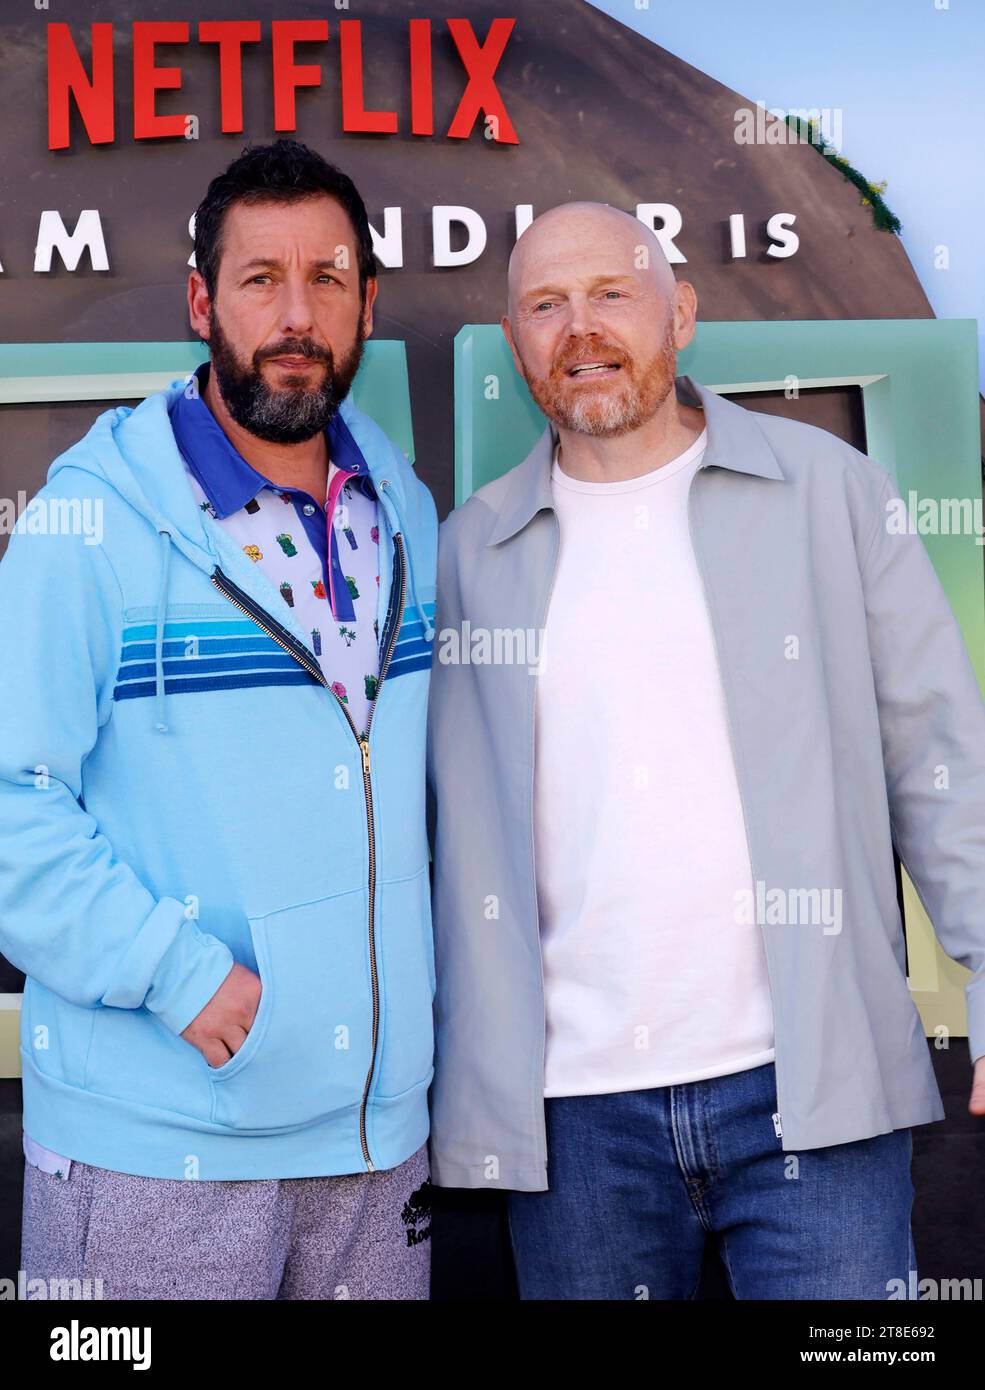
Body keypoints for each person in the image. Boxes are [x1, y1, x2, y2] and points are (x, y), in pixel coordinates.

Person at [425, 200, 985, 1299]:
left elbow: (938, 756)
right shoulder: (466, 554)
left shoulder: (829, 491)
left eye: (610, 293)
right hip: (571, 1125)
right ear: (513, 344)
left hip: (813, 1095)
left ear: (679, 313)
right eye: (545, 305)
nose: (579, 328)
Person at [0, 139, 437, 1300]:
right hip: (155, 1149)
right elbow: (9, 804)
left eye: (327, 279)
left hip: (376, 1146)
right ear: (202, 300)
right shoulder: (88, 526)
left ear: (365, 304)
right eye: (259, 279)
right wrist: (177, 974)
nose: (295, 315)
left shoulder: (404, 510)